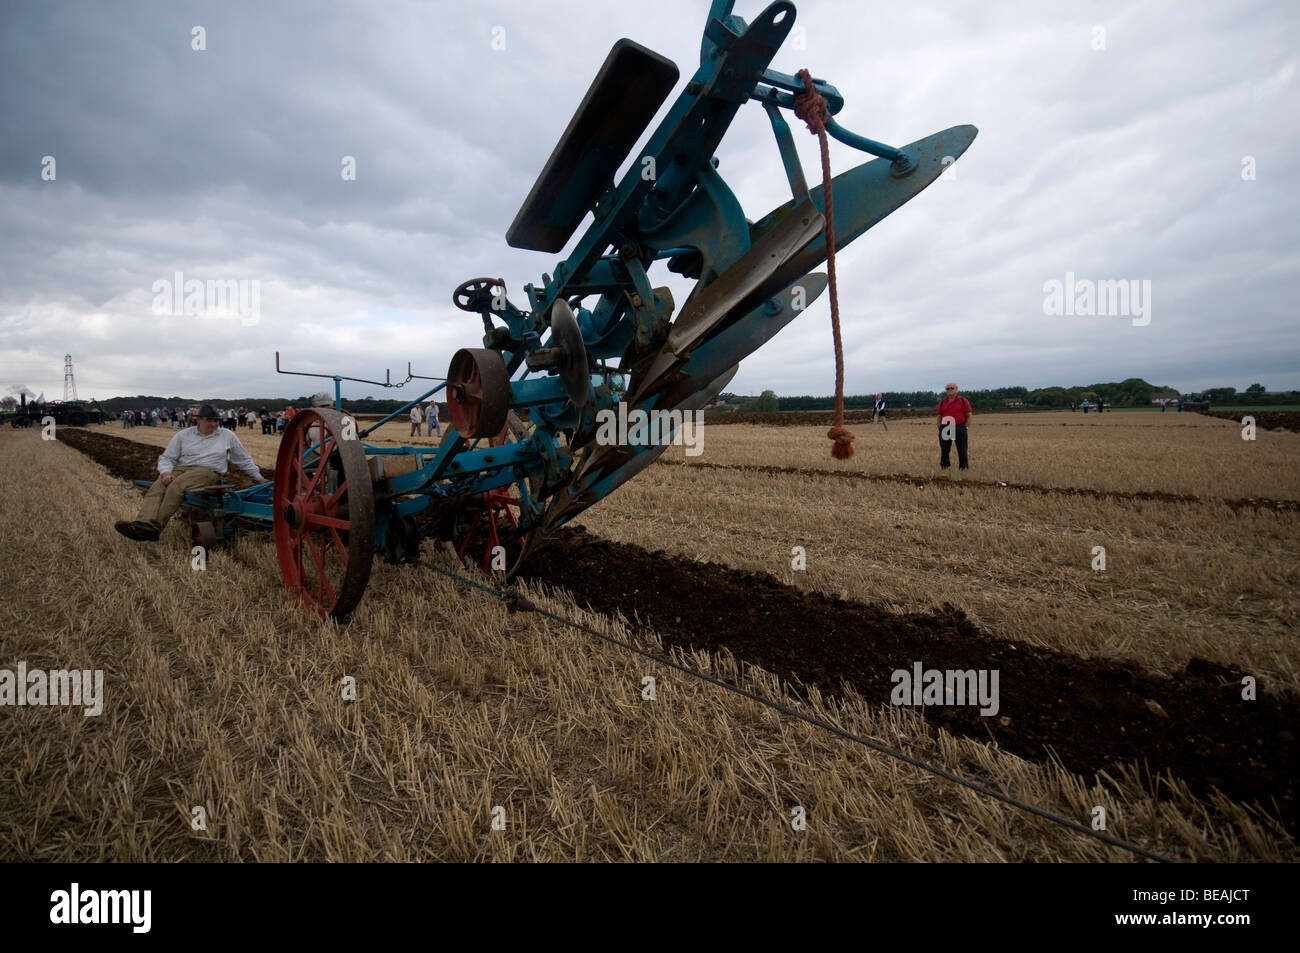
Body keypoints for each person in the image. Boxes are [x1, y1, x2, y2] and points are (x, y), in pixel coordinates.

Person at [114, 405, 265, 542]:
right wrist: (166, 472)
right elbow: (167, 457)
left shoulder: (227, 435)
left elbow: (242, 460)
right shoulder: (183, 435)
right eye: (209, 420)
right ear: (198, 420)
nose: (214, 424)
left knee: (176, 486)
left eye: (216, 421)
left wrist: (259, 478)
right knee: (158, 486)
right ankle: (142, 523)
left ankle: (155, 527)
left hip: (208, 471)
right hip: (182, 468)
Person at [937, 382, 972, 470]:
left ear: (956, 389)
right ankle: (945, 467)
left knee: (962, 450)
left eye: (952, 388)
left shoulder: (963, 401)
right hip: (946, 427)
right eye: (947, 389)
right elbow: (939, 417)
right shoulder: (942, 402)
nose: (949, 390)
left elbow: (969, 415)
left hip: (959, 427)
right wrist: (940, 428)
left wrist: (965, 428)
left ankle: (963, 468)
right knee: (944, 450)